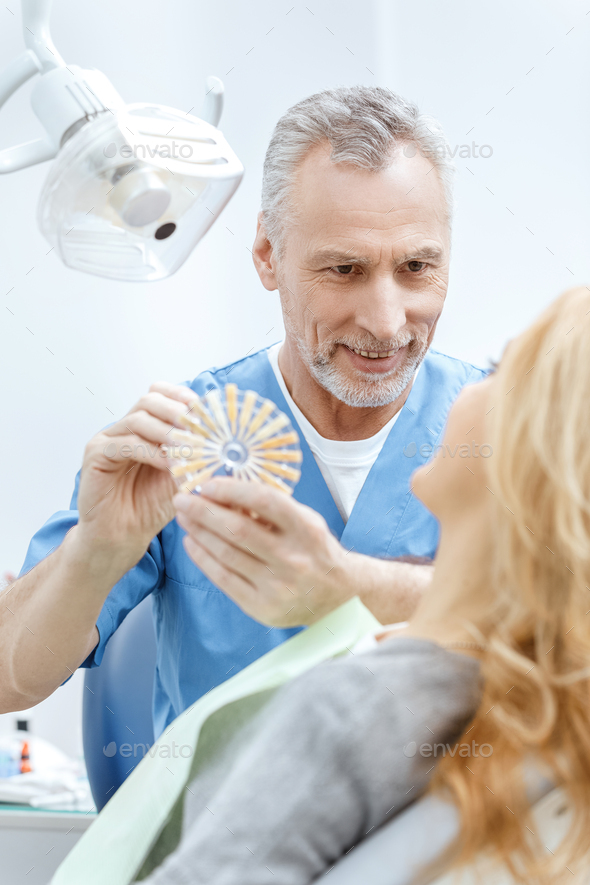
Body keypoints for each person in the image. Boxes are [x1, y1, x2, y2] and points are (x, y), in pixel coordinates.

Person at [0, 85, 485, 732]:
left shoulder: (514, 430)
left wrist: (349, 585)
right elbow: (10, 678)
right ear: (267, 255)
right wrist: (96, 549)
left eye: (417, 266)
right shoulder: (186, 439)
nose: (386, 321)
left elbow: (566, 632)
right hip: (229, 802)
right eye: (344, 269)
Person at [133, 286, 590, 884]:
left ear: (530, 458)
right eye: (345, 270)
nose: (385, 321)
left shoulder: (350, 713)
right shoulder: (546, 706)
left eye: (500, 369)